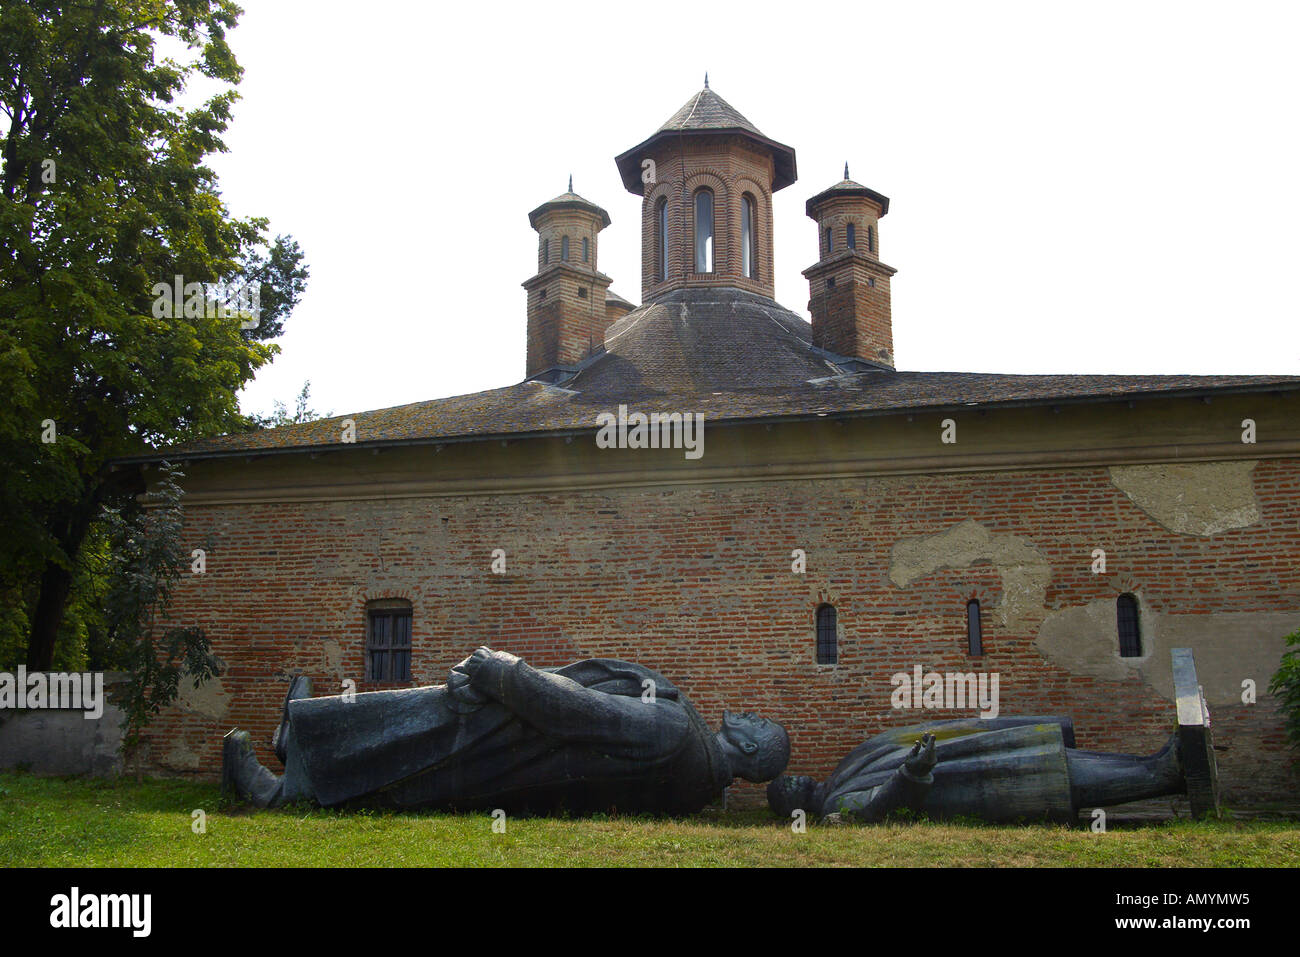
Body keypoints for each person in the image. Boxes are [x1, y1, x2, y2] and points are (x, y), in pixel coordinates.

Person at [223, 646, 790, 815]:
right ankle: (298, 744)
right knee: (411, 737)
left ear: (748, 749)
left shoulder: (677, 734)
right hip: (525, 760)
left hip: (514, 741)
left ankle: (283, 788)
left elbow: (586, 714)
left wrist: (504, 672)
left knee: (420, 724)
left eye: (761, 724)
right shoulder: (695, 787)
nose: (753, 713)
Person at [767, 715, 1187, 824]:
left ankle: (1154, 762)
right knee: (1062, 779)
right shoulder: (838, 803)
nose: (793, 778)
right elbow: (879, 809)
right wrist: (914, 773)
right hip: (970, 781)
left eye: (788, 777)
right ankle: (1165, 776)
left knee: (1062, 760)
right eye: (787, 788)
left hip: (972, 756)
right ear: (793, 808)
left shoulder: (840, 772)